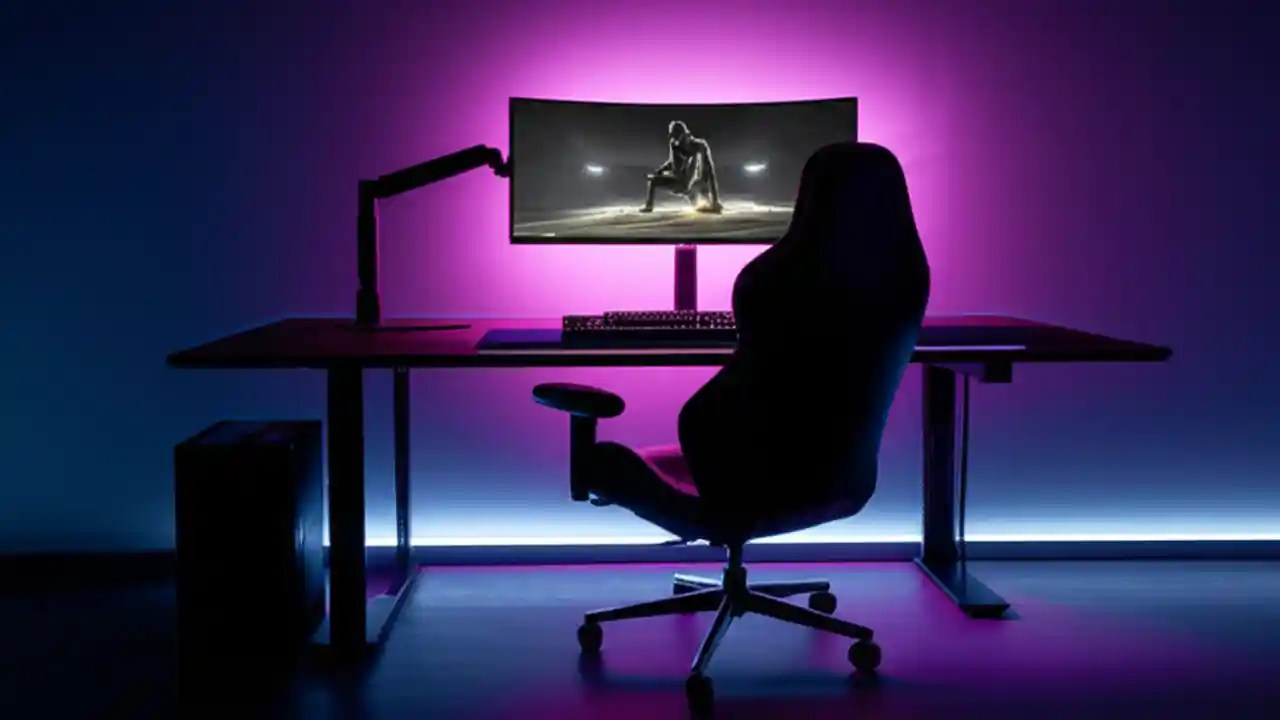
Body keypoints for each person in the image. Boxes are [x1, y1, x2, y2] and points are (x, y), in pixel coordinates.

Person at [639, 120, 723, 213]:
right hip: (679, 182)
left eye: (679, 137)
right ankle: (649, 206)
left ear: (685, 135)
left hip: (693, 185)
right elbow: (673, 163)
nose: (677, 141)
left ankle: (707, 200)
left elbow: (710, 172)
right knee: (653, 181)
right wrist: (659, 171)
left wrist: (715, 199)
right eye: (674, 137)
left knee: (704, 207)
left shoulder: (699, 146)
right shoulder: (674, 145)